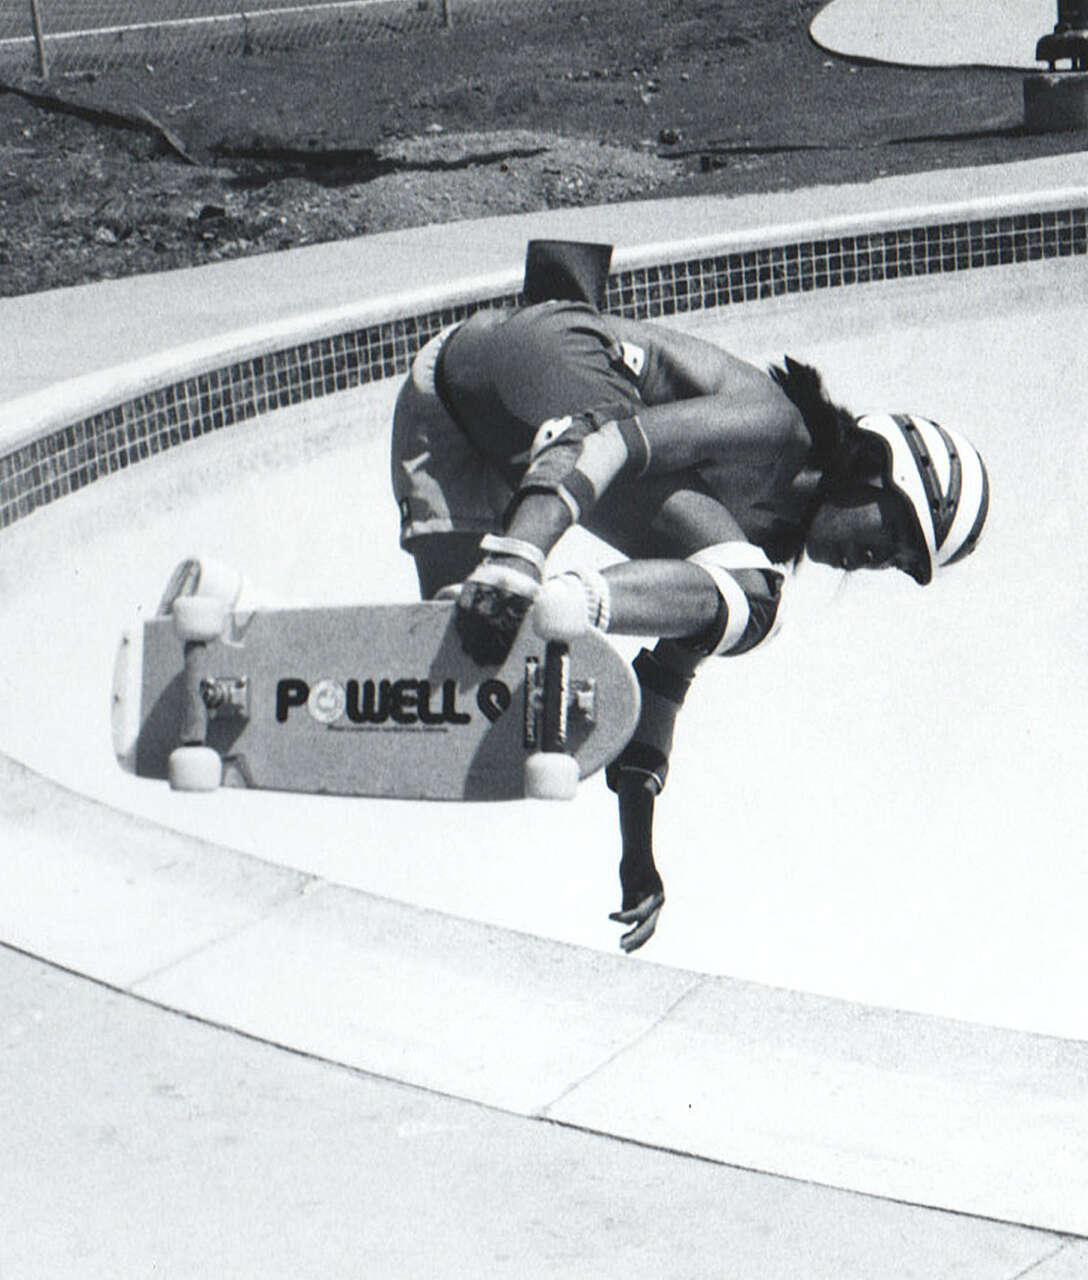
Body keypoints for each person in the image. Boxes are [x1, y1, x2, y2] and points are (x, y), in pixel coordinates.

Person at [390, 242, 988, 952]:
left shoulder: (735, 552)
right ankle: (549, 598)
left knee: (462, 667)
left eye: (892, 564)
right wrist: (525, 558)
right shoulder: (776, 431)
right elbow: (607, 440)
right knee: (754, 600)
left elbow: (662, 689)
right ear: (872, 474)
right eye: (892, 536)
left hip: (446, 402)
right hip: (542, 360)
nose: (872, 560)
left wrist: (637, 856)